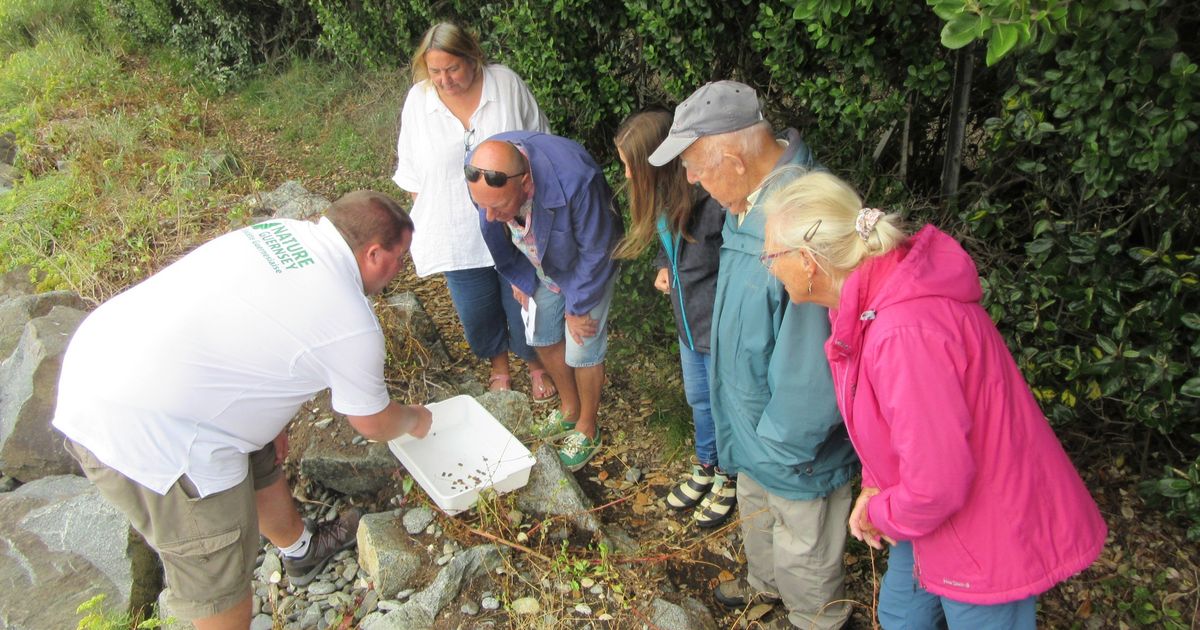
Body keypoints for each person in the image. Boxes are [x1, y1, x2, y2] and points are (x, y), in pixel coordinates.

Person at [53, 192, 435, 630]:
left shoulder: (281, 234)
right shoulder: (352, 323)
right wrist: (418, 419)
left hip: (104, 356)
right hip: (148, 428)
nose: (401, 270)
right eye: (399, 258)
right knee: (215, 569)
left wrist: (270, 421)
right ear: (372, 253)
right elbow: (373, 422)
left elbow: (261, 328)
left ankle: (300, 551)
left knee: (259, 454)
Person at [761, 171, 1107, 629]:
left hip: (985, 532)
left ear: (807, 261)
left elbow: (938, 483)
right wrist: (875, 484)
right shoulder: (865, 302)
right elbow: (893, 427)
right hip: (933, 519)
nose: (768, 267)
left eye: (772, 255)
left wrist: (882, 512)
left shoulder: (903, 331)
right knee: (901, 615)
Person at [649, 81, 858, 630]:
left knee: (804, 543)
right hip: (751, 422)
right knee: (761, 518)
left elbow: (817, 361)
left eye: (696, 166)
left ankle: (814, 620)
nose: (690, 180)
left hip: (793, 440)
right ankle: (766, 590)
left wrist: (784, 440)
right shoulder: (747, 202)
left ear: (734, 159)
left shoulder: (804, 217)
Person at [392, 22, 557, 402]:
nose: (445, 80)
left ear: (473, 57)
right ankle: (498, 366)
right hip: (456, 231)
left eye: (453, 69)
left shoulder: (505, 84)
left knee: (524, 303)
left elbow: (540, 141)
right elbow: (413, 170)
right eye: (435, 72)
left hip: (515, 224)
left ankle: (536, 364)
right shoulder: (420, 101)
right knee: (475, 310)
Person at [466, 131, 623, 471]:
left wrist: (577, 306)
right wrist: (520, 275)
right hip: (540, 262)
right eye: (482, 206)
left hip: (586, 265)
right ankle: (569, 410)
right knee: (541, 333)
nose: (489, 216)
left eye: (498, 207)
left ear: (525, 183)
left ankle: (587, 427)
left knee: (582, 344)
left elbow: (599, 249)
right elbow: (493, 228)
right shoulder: (482, 171)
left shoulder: (577, 180)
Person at [612, 110, 731, 527]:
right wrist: (664, 264)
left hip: (716, 326)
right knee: (699, 399)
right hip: (687, 323)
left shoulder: (711, 198)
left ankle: (731, 476)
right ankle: (708, 464)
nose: (626, 175)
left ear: (655, 162)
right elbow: (670, 243)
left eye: (630, 164)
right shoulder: (665, 196)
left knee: (724, 402)